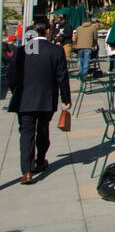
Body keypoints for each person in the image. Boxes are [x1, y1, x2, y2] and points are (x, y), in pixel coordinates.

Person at [8, 17, 71, 184]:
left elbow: (11, 76)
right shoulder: (55, 50)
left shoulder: (22, 50)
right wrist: (66, 98)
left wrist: (17, 91)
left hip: (24, 100)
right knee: (43, 129)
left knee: (26, 133)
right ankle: (40, 160)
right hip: (46, 98)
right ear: (48, 31)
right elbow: (62, 77)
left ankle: (27, 171)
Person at [73, 14, 100, 79]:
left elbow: (75, 37)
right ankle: (84, 75)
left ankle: (81, 73)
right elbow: (95, 38)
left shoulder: (79, 28)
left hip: (79, 46)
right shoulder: (93, 28)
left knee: (81, 60)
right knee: (86, 61)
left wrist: (76, 44)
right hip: (88, 46)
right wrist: (94, 44)